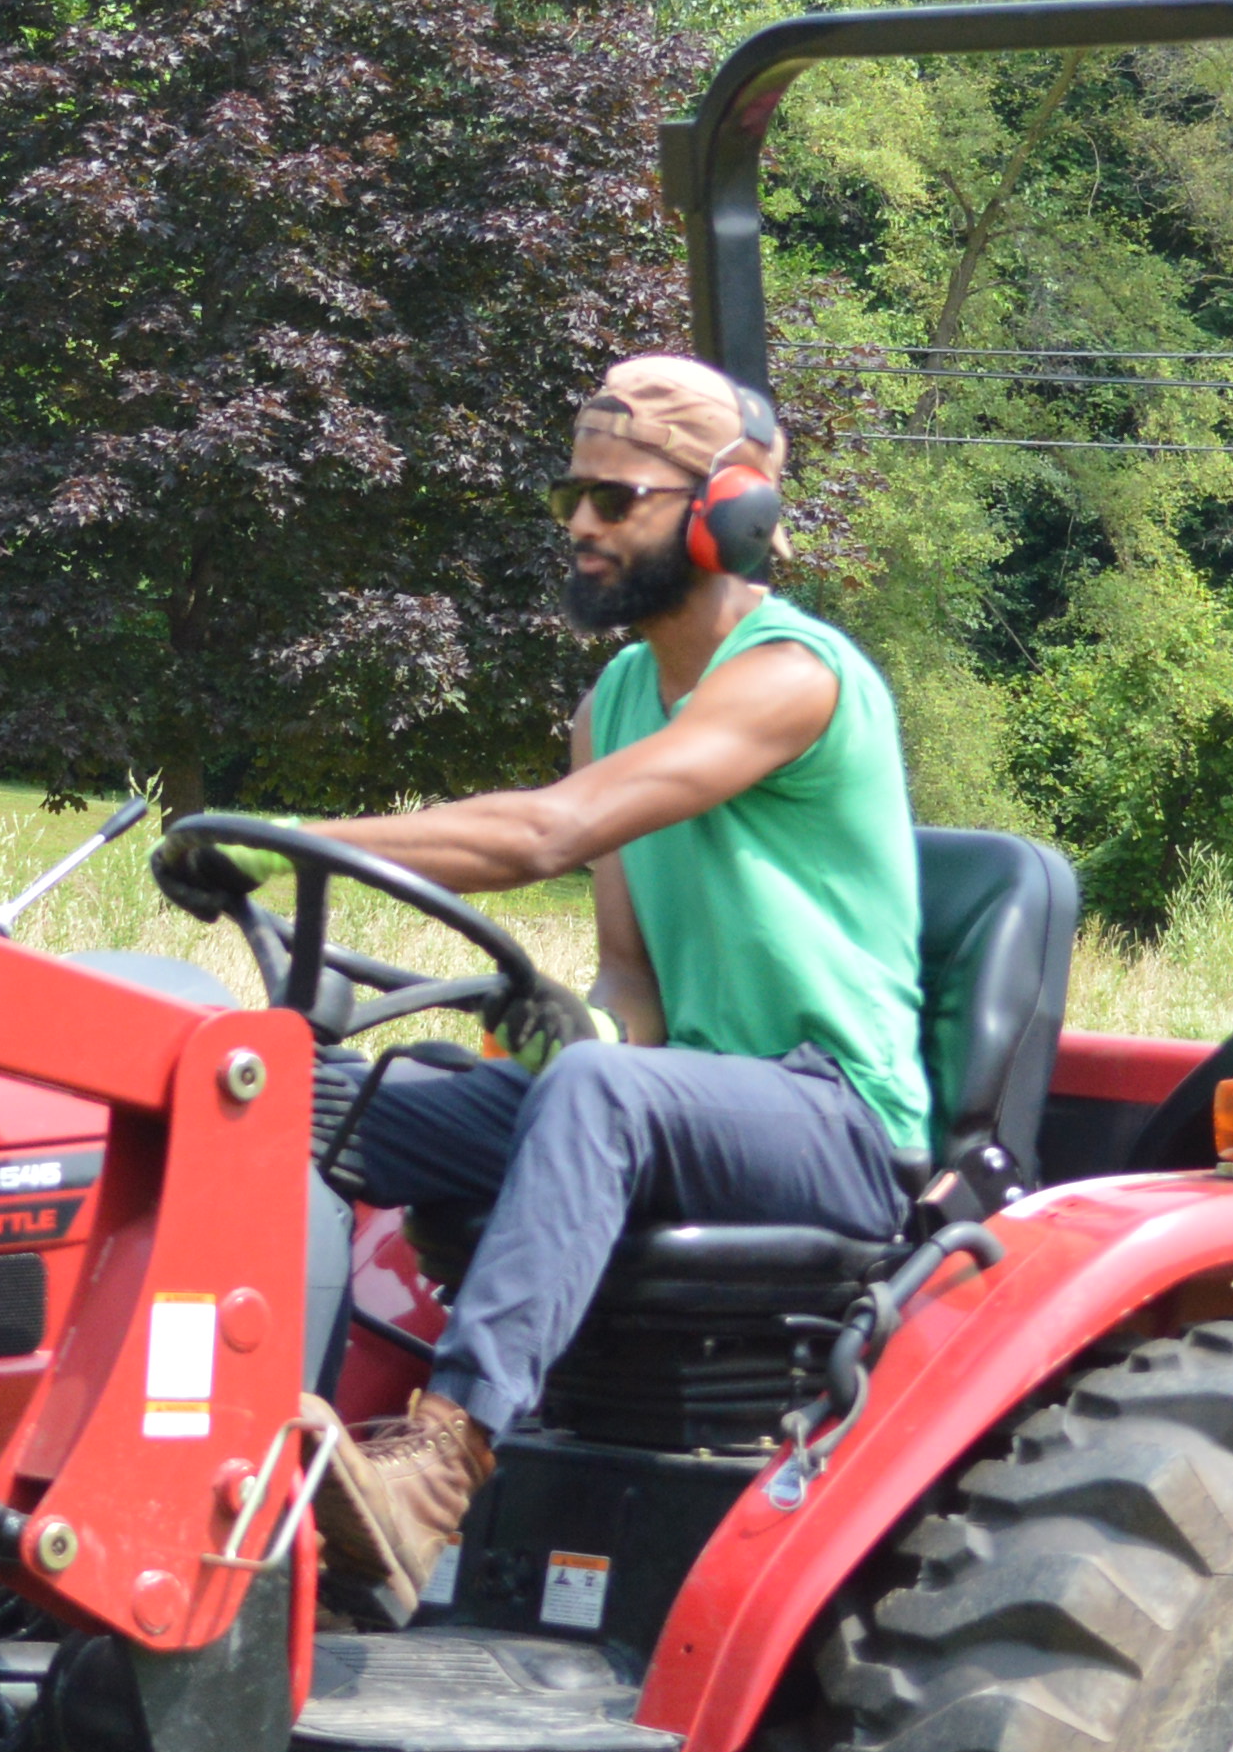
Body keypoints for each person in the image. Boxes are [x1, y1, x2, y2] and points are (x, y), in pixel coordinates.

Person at [202, 352, 927, 1613]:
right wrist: (533, 1047)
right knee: (330, 1093)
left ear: (726, 512)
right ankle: (224, 1431)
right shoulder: (616, 698)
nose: (582, 527)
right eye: (571, 498)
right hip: (681, 1094)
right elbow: (632, 987)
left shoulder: (792, 676)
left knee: (596, 1092)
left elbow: (549, 834)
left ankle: (441, 1462)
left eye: (616, 499)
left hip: (835, 1114)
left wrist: (291, 833)